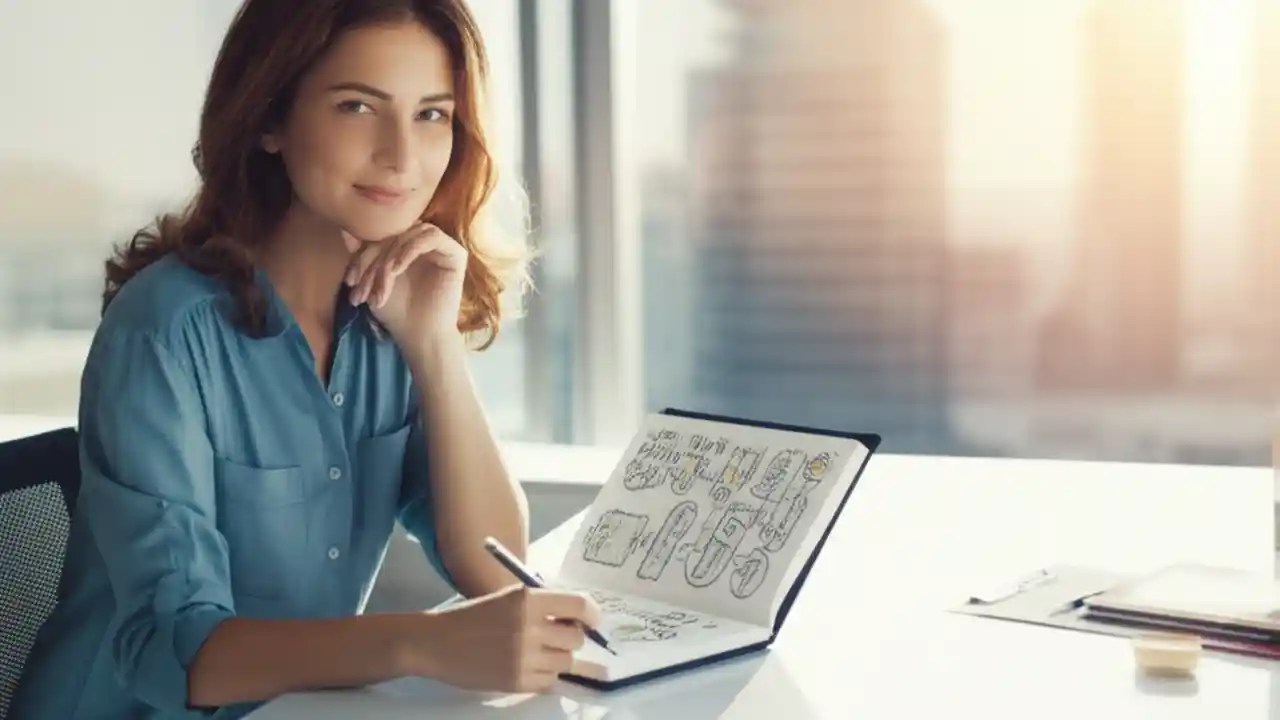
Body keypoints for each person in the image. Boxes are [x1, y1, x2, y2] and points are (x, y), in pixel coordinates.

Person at [11, 1, 600, 717]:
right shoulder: (162, 334)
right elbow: (176, 650)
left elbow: (498, 570)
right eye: (358, 106)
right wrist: (422, 642)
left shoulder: (392, 319)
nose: (402, 157)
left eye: (432, 114)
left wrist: (435, 350)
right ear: (268, 119)